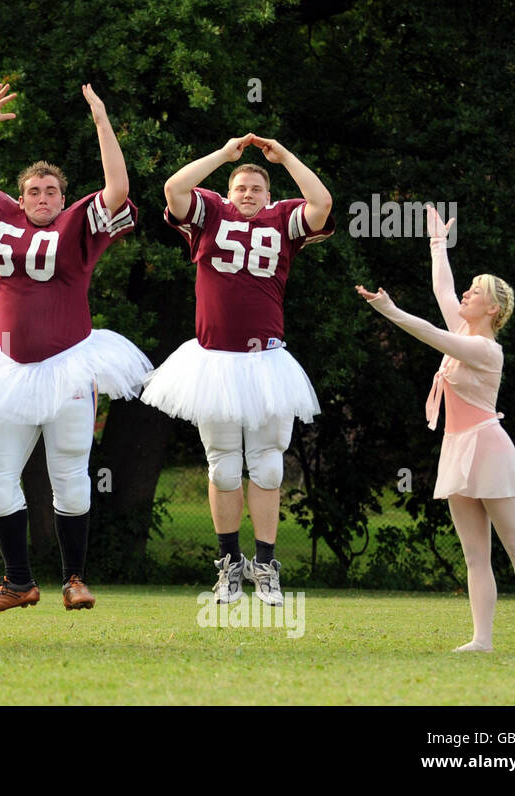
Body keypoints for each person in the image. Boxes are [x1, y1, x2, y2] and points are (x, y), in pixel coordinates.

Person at [0, 83, 149, 614]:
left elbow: (118, 189)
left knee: (70, 470)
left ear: (63, 196)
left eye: (51, 190)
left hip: (70, 362)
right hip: (9, 366)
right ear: (20, 195)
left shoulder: (79, 222)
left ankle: (74, 578)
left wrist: (102, 121)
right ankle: (17, 581)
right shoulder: (0, 215)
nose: (42, 198)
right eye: (34, 191)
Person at [142, 134, 334, 606]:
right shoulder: (211, 212)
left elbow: (322, 201)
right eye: (241, 187)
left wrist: (284, 155)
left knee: (268, 465)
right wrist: (224, 156)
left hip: (266, 360)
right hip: (214, 360)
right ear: (229, 193)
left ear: (269, 196)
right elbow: (173, 189)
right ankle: (229, 566)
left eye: (256, 188)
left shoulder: (283, 219)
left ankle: (265, 565)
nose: (248, 194)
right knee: (224, 468)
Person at [356, 206, 515, 653]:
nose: (466, 293)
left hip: (488, 445)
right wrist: (437, 244)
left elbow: (430, 334)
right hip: (456, 445)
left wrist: (389, 310)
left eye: (475, 291)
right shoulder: (463, 328)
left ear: (493, 308)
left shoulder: (485, 349)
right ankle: (482, 639)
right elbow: (442, 288)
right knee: (474, 555)